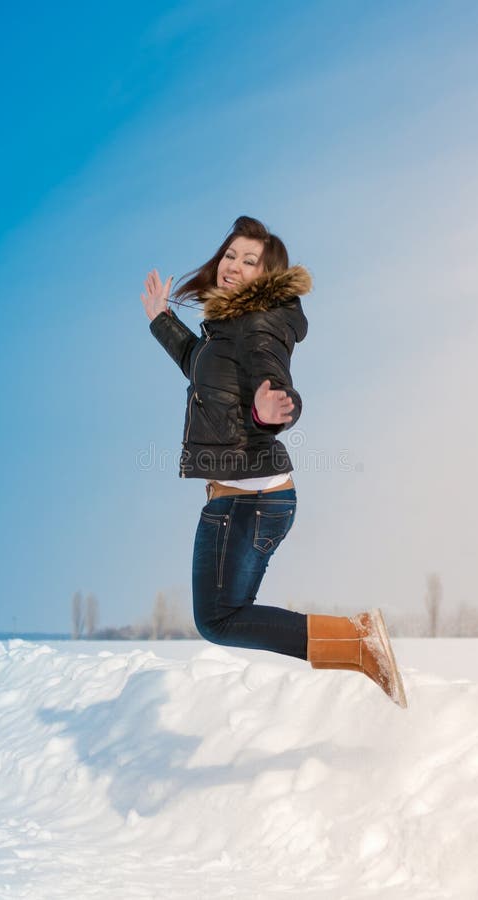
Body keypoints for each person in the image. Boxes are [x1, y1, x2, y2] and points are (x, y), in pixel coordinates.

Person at [141, 216, 407, 708]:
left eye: (249, 261)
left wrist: (273, 411)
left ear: (265, 276)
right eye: (230, 255)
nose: (233, 267)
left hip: (252, 498)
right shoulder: (228, 327)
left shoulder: (259, 323)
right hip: (247, 497)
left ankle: (358, 640)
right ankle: (357, 641)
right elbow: (200, 365)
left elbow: (275, 379)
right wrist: (162, 320)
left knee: (219, 618)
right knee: (221, 616)